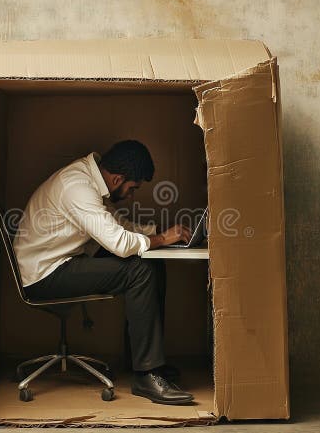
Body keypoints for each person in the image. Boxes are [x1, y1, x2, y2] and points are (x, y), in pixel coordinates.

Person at [13, 140, 195, 405]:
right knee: (139, 271)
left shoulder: (90, 180)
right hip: (44, 274)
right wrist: (162, 239)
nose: (131, 195)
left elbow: (116, 225)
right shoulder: (78, 187)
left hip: (64, 260)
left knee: (151, 262)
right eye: (132, 188)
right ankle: (146, 375)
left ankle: (145, 361)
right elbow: (119, 243)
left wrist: (157, 234)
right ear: (118, 178)